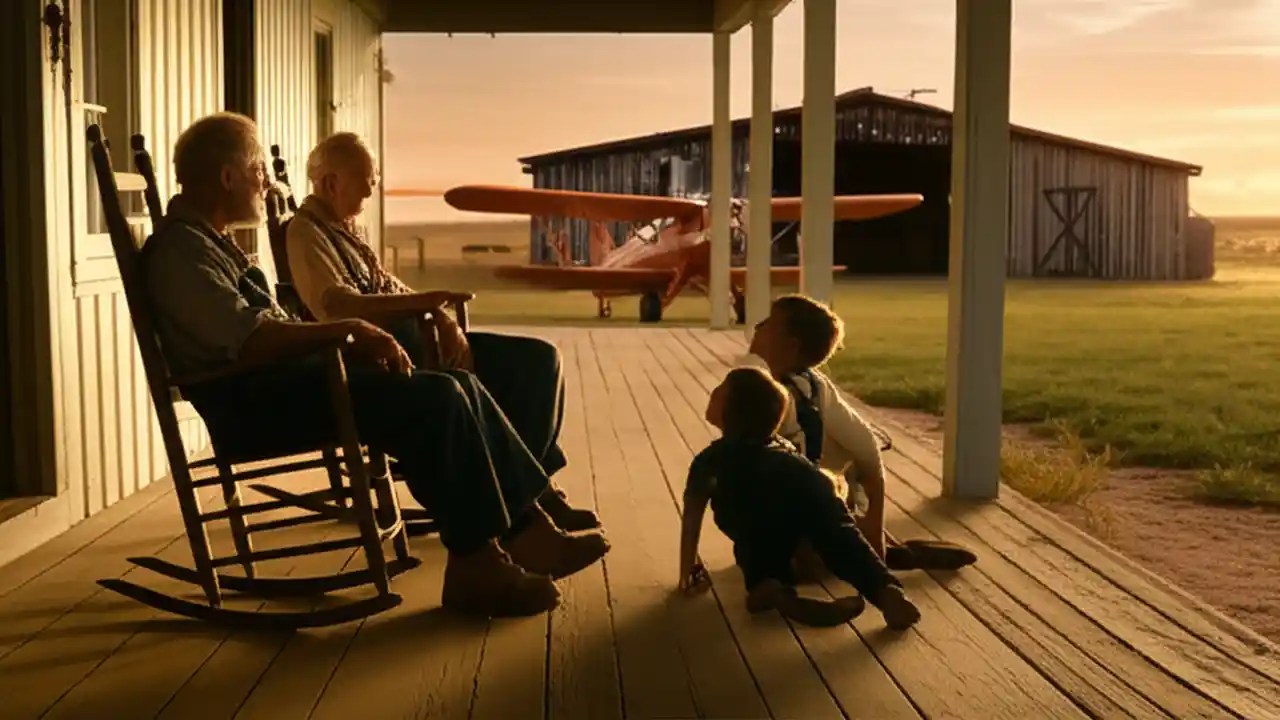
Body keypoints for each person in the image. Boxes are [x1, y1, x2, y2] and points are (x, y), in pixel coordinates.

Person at [141, 112, 609, 618]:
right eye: (258, 172)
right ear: (229, 177)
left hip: (290, 382)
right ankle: (478, 564)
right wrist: (347, 332)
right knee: (437, 398)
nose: (268, 184)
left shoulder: (211, 243)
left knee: (454, 384)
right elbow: (250, 339)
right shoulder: (179, 252)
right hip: (255, 403)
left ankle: (523, 530)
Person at [283, 131, 597, 532]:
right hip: (384, 356)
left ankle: (528, 490)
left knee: (540, 360)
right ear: (331, 183)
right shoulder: (306, 232)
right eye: (367, 184)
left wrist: (440, 315)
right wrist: (426, 305)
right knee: (492, 377)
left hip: (416, 341)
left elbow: (390, 287)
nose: (370, 194)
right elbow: (336, 305)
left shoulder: (346, 229)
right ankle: (528, 499)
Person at [737, 294, 977, 575]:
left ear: (790, 346)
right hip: (805, 502)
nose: (758, 327)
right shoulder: (796, 384)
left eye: (768, 324)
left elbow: (863, 451)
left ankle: (865, 551)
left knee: (784, 556)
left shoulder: (787, 391)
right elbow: (864, 447)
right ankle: (872, 549)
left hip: (806, 503)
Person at [678, 367, 921, 630]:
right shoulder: (786, 448)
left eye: (718, 393)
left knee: (756, 538)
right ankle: (884, 589)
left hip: (753, 509)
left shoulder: (711, 461)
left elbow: (692, 518)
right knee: (843, 538)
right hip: (808, 486)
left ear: (730, 412)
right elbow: (817, 489)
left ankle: (769, 587)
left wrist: (687, 573)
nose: (712, 394)